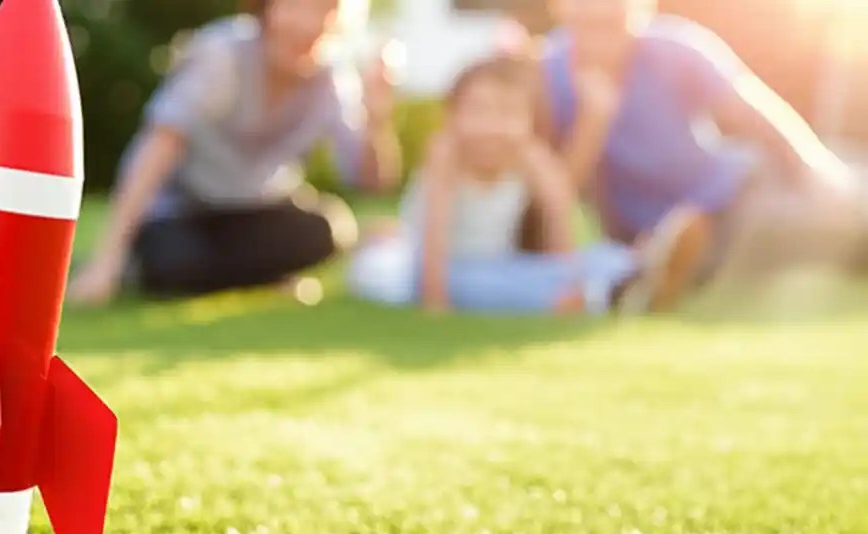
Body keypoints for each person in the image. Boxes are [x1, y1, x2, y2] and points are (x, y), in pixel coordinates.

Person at [68, 0, 401, 305]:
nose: (307, 24)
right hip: (184, 213)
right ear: (267, 9)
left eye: (324, 9)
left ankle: (240, 275)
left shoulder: (332, 81)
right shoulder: (222, 56)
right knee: (173, 261)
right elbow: (156, 150)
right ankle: (162, 268)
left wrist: (377, 120)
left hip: (255, 213)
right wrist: (106, 262)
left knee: (329, 230)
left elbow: (368, 180)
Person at [540, 0, 867, 290]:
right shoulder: (545, 74)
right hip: (668, 236)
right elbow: (553, 194)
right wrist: (592, 123)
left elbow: (753, 116)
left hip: (737, 192)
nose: (601, 9)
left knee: (848, 202)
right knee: (811, 233)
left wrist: (817, 175)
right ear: (559, 5)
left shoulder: (674, 47)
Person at [348, 56, 692, 315]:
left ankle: (637, 270)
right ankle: (608, 294)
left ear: (530, 120)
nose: (491, 126)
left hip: (503, 263)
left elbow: (559, 213)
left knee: (600, 256)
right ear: (453, 117)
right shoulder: (446, 155)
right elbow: (435, 234)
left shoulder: (529, 156)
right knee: (475, 284)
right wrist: (436, 304)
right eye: (478, 111)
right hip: (439, 266)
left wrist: (567, 278)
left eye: (507, 112)